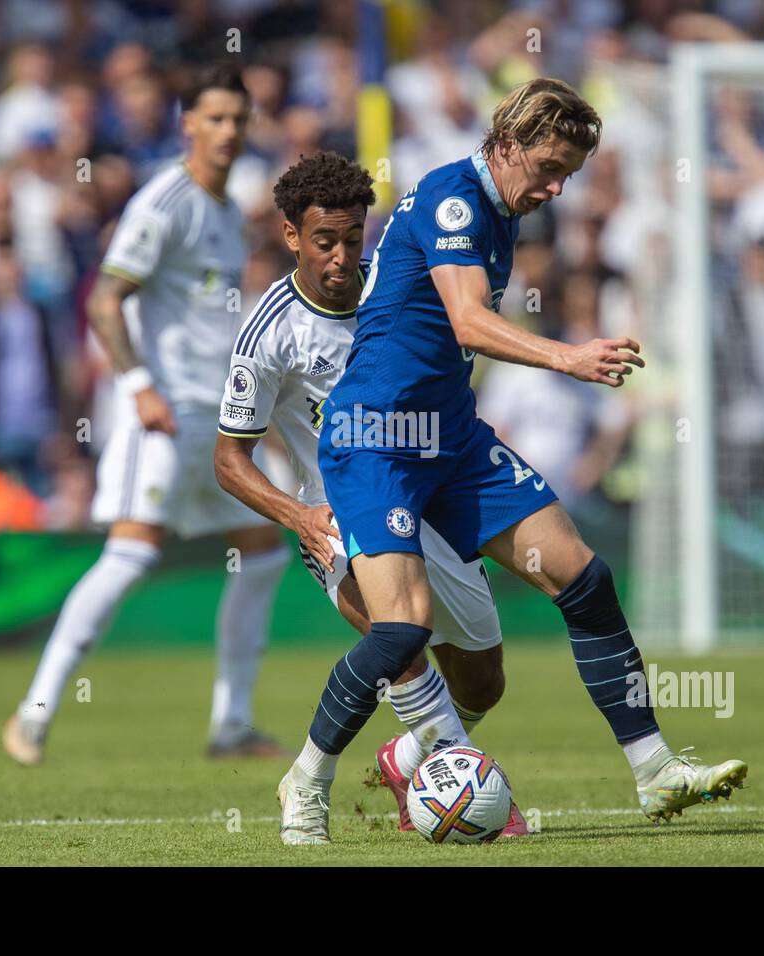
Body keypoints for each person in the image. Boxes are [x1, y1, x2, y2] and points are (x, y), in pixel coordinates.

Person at [278, 79, 747, 844]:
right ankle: (306, 779)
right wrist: (568, 357)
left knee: (584, 579)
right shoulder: (453, 200)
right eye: (549, 167)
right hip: (374, 440)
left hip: (452, 439)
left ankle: (655, 769)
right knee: (402, 632)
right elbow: (467, 321)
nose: (557, 187)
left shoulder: (503, 212)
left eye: (569, 174)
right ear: (505, 145)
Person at [214, 151, 527, 835]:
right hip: (341, 516)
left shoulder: (397, 289)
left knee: (483, 680)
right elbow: (229, 460)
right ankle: (321, 784)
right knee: (401, 644)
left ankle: (404, 762)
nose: (340, 256)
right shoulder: (270, 330)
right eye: (324, 240)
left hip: (429, 501)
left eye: (352, 238)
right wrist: (299, 516)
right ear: (291, 235)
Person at [4, 64, 289, 765]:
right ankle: (33, 713)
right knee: (131, 554)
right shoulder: (164, 202)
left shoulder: (227, 213)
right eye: (214, 118)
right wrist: (138, 386)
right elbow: (105, 299)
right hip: (163, 411)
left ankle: (232, 723)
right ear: (187, 124)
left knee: (264, 550)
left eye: (238, 119)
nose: (227, 131)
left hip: (221, 418)